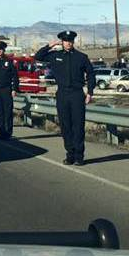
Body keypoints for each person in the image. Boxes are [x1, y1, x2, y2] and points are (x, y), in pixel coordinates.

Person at [35, 31, 95, 165]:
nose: (68, 43)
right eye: (66, 41)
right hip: (62, 94)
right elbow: (38, 57)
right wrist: (49, 45)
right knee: (65, 126)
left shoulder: (81, 57)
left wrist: (90, 92)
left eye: (70, 41)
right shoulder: (55, 56)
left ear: (73, 42)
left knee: (78, 126)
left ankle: (79, 156)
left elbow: (91, 74)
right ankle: (70, 154)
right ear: (62, 42)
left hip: (77, 94)